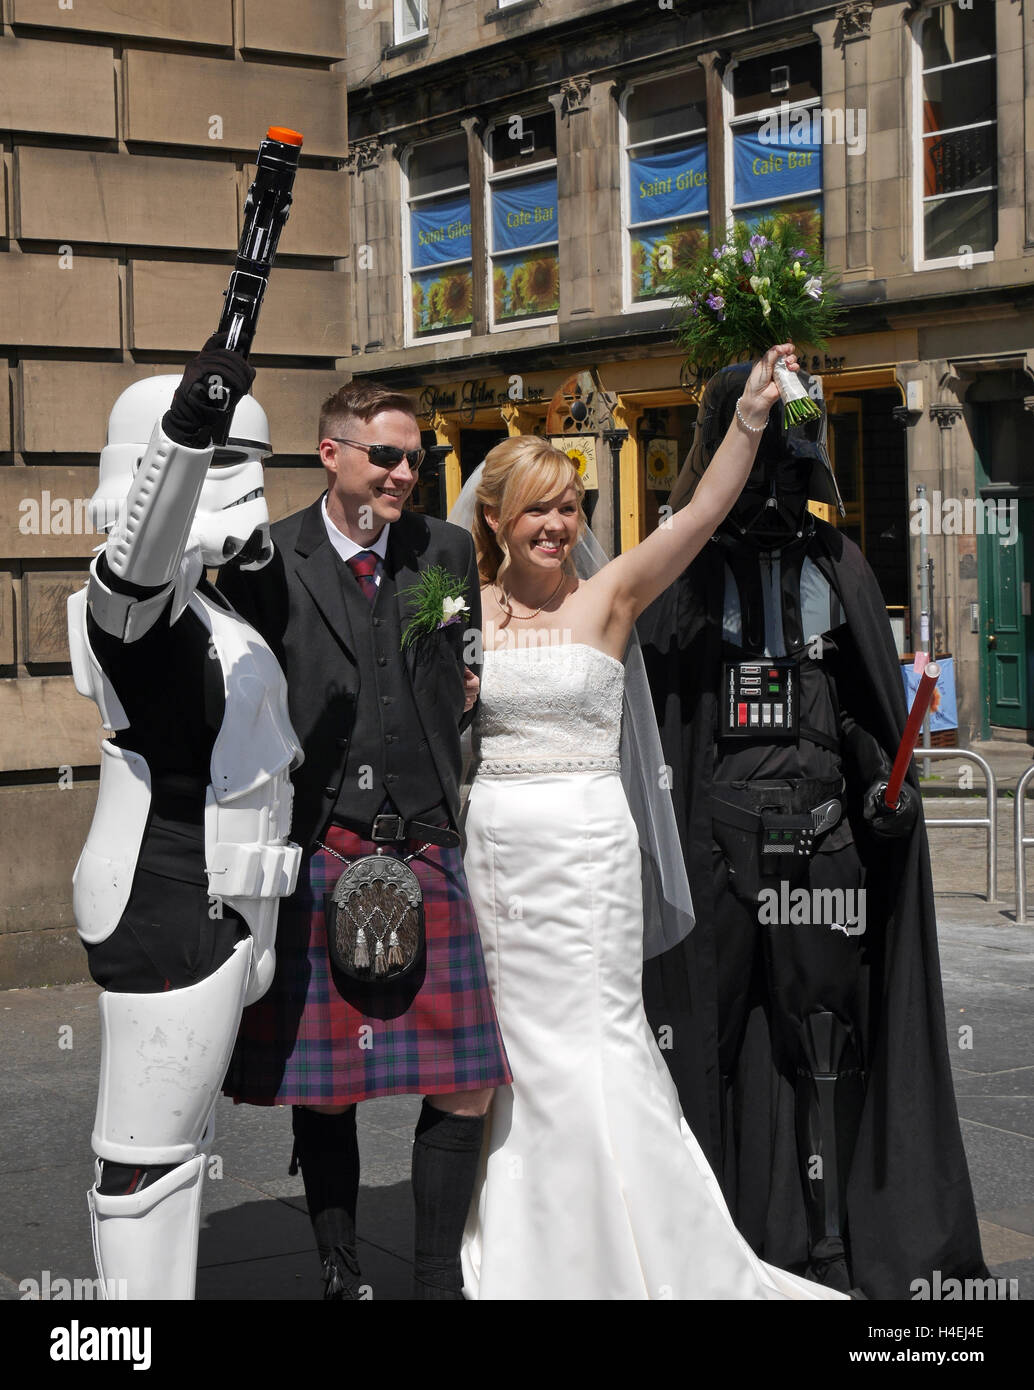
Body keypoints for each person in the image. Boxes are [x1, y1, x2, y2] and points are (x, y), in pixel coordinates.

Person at [455, 344, 844, 1299]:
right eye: (537, 508)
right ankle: (529, 1244)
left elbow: (703, 512)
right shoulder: (460, 615)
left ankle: (653, 1246)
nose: (558, 525)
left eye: (569, 507)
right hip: (496, 859)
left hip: (587, 858)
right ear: (495, 519)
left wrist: (749, 415)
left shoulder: (611, 597)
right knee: (513, 1052)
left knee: (596, 1039)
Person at [637, 362, 987, 1298]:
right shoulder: (684, 575)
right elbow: (664, 713)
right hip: (716, 839)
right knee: (698, 1039)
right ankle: (699, 1229)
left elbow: (869, 716)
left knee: (824, 1041)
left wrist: (889, 788)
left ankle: (829, 1240)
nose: (781, 492)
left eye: (797, 472)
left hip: (821, 835)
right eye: (763, 470)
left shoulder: (841, 570)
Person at [217, 380, 511, 1300]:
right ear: (330, 452)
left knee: (467, 1079)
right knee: (327, 1085)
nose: (404, 473)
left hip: (425, 839)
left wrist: (463, 693)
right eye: (384, 454)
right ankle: (342, 1270)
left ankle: (434, 1282)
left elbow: (458, 667)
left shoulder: (445, 551)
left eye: (415, 457)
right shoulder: (268, 560)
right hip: (322, 840)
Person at [68, 344, 303, 1299]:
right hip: (167, 901)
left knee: (181, 1149)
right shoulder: (123, 610)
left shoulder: (217, 613)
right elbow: (135, 569)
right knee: (145, 1165)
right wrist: (185, 436)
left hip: (230, 907)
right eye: (222, 460)